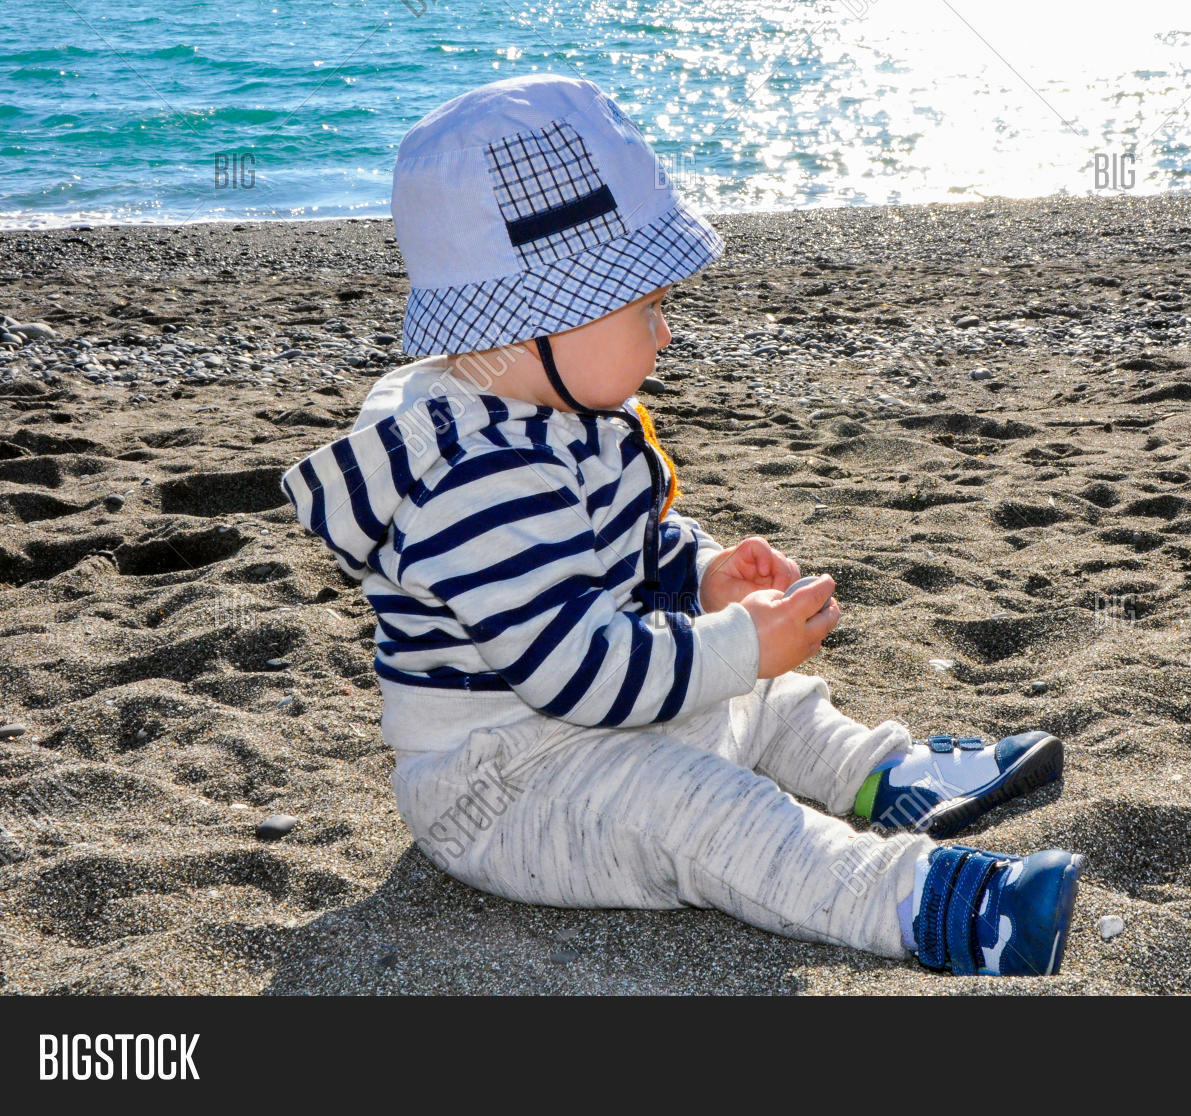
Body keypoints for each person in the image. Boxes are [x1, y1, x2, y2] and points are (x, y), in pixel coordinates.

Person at [281, 73, 1083, 977]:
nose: (664, 335)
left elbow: (618, 549)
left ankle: (886, 778)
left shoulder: (554, 407)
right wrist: (735, 644)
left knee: (765, 699)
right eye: (646, 308)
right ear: (544, 316)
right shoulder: (474, 477)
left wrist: (697, 576)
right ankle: (918, 902)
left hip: (590, 720)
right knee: (707, 812)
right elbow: (575, 672)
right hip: (506, 784)